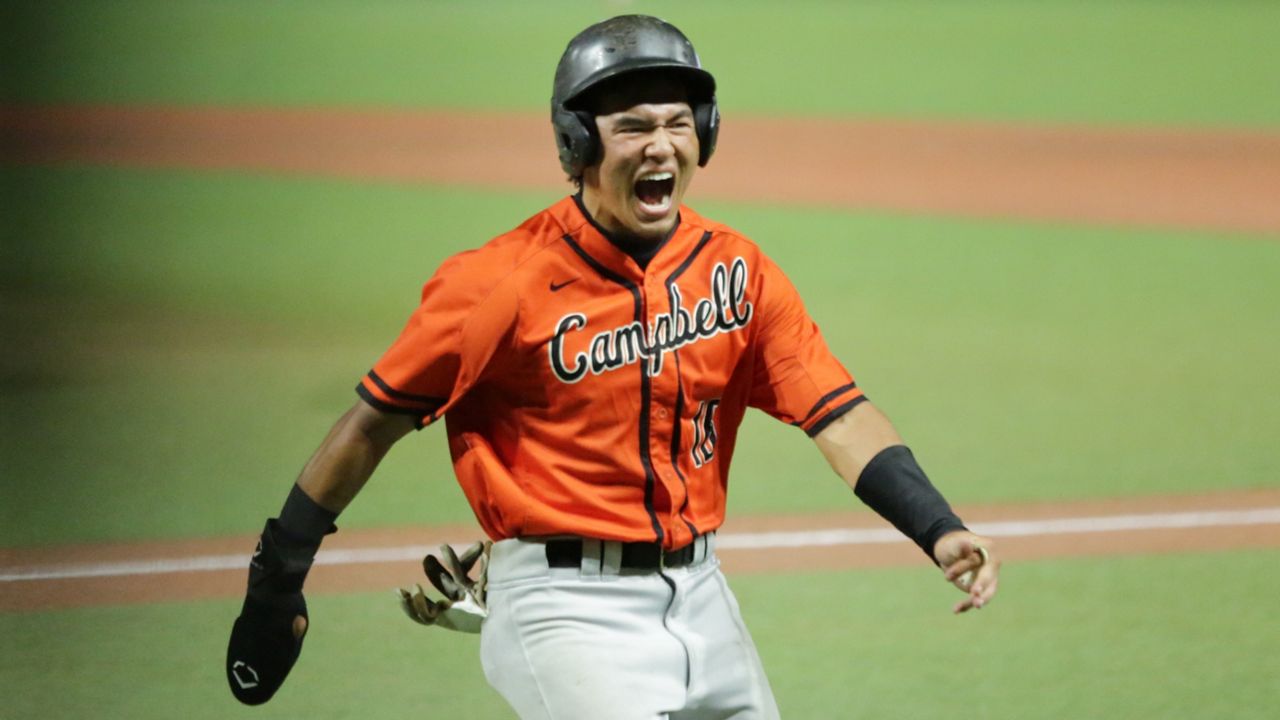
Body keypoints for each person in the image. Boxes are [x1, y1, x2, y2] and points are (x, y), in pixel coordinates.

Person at [225, 14, 1001, 718]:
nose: (660, 145)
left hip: (702, 596)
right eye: (632, 128)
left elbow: (836, 413)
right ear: (579, 144)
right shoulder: (496, 284)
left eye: (677, 124)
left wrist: (935, 525)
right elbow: (371, 424)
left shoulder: (737, 271)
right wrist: (279, 574)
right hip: (564, 610)